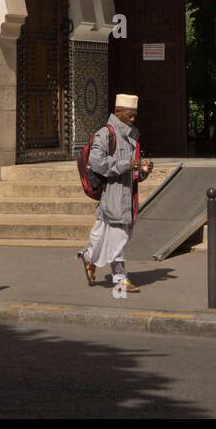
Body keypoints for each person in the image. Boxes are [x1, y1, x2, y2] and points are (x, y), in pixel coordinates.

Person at [77, 94, 153, 298]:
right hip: (112, 195)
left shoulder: (132, 136)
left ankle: (89, 258)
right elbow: (97, 163)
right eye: (130, 115)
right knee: (119, 237)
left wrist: (143, 170)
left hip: (128, 195)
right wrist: (127, 164)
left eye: (135, 115)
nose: (133, 119)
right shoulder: (105, 133)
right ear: (118, 112)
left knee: (107, 236)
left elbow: (134, 173)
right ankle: (120, 281)